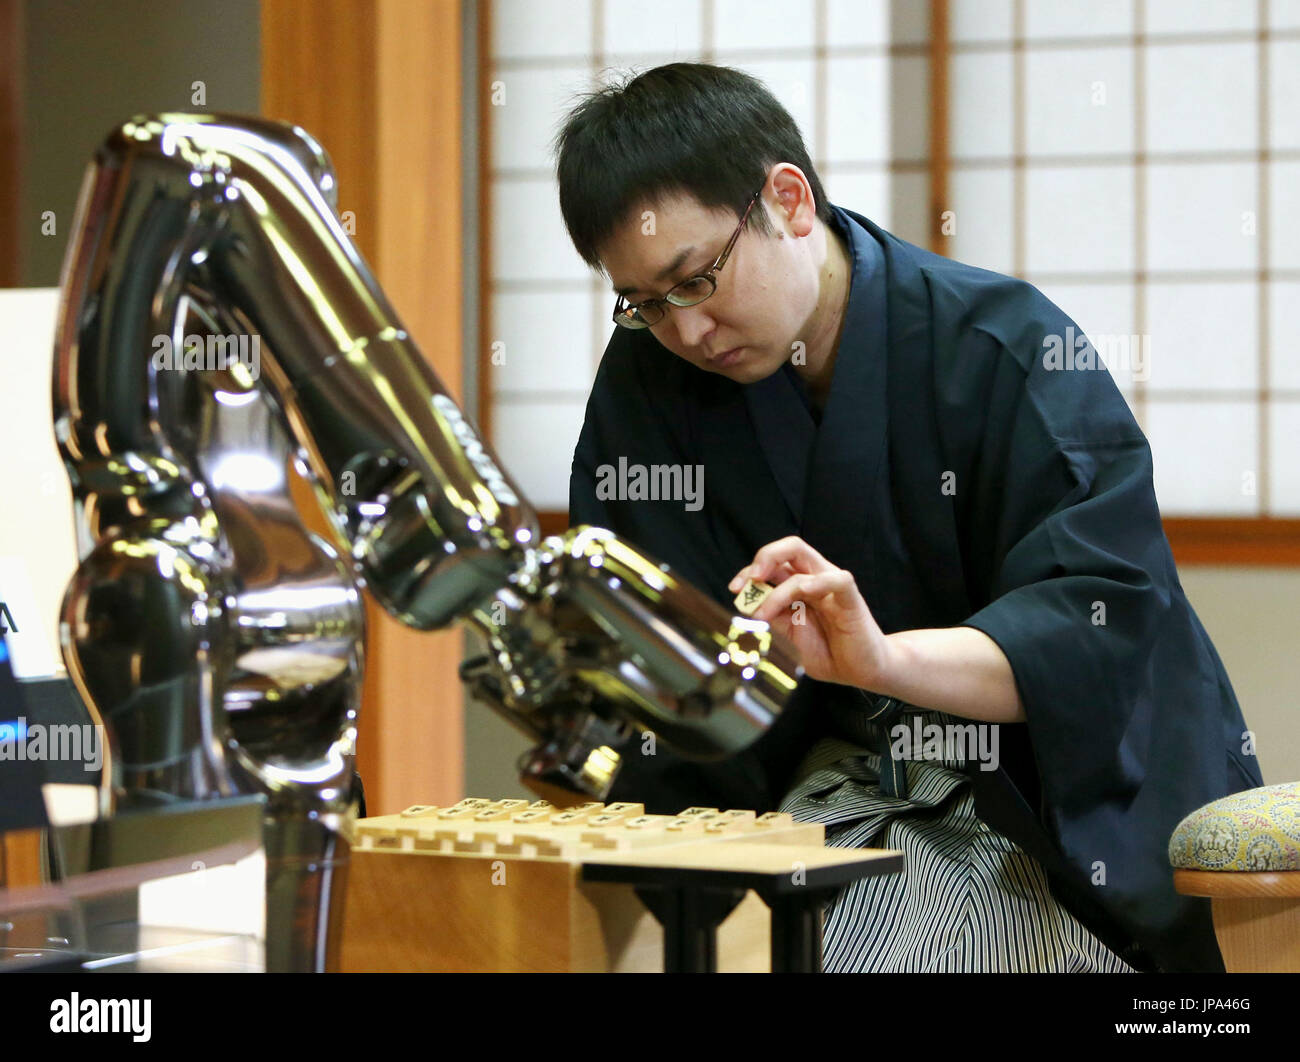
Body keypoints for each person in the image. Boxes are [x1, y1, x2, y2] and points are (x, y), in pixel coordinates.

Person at [555, 62, 1262, 972]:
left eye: (695, 281)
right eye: (643, 302)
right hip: (823, 789)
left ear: (787, 199)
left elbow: (1095, 627)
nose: (685, 332)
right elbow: (646, 630)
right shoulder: (650, 380)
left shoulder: (1003, 346)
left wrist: (883, 659)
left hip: (1058, 790)